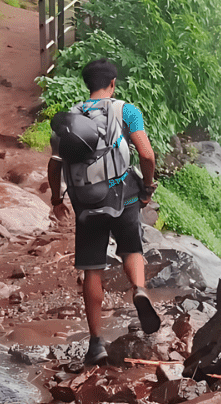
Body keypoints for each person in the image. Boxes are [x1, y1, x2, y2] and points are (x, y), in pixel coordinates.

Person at [47, 58, 162, 366]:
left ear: (87, 85)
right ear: (113, 83)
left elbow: (55, 165)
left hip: (86, 201)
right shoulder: (127, 111)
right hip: (123, 194)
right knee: (131, 248)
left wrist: (57, 200)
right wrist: (147, 186)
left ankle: (96, 342)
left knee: (92, 269)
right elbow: (146, 154)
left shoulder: (69, 119)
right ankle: (139, 289)